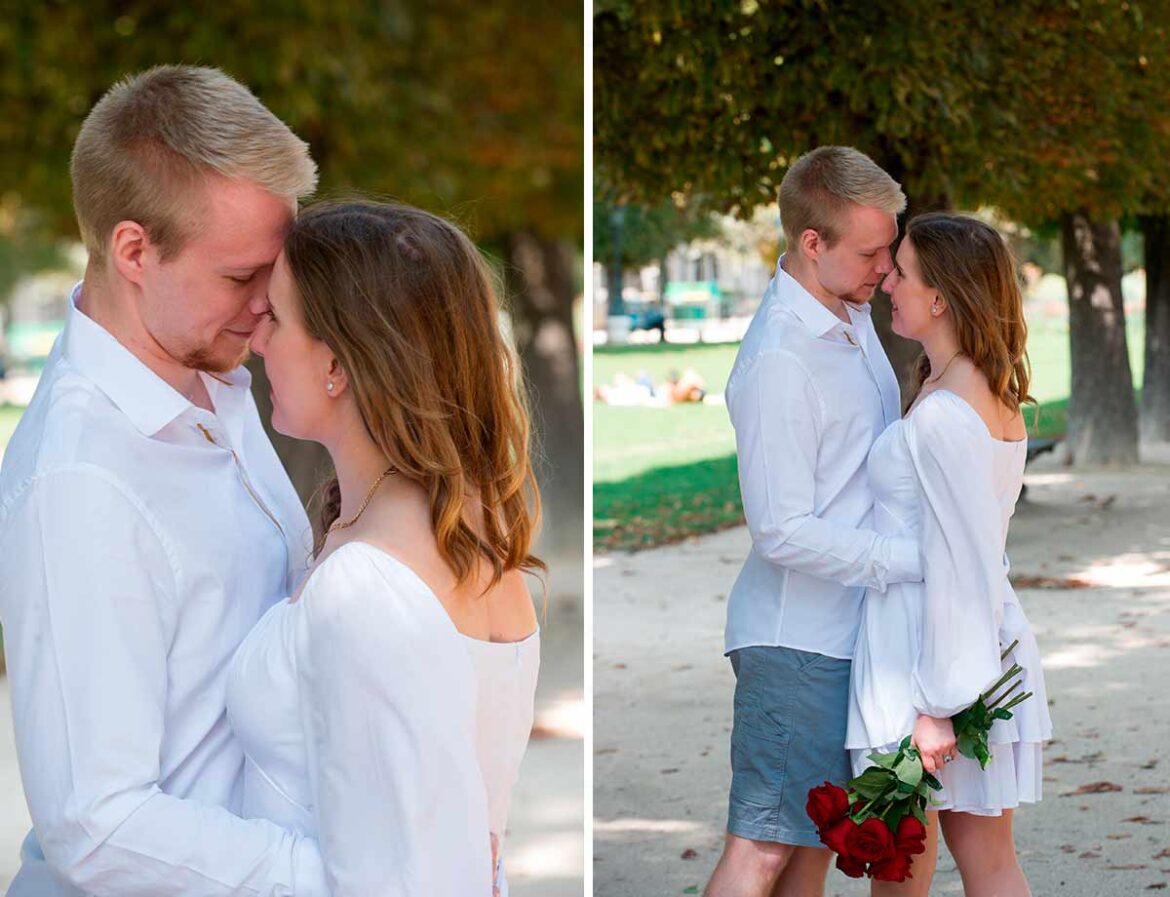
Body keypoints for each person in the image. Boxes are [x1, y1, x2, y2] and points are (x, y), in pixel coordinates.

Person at [0, 65, 331, 895]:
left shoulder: (213, 371)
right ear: (134, 250)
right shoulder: (81, 482)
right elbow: (97, 823)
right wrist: (342, 874)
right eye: (239, 275)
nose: (267, 303)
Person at [230, 199, 544, 895]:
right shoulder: (469, 526)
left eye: (276, 317)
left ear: (338, 362)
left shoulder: (369, 586)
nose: (257, 339)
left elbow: (394, 878)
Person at [704, 146, 924, 897]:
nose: (885, 268)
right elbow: (782, 529)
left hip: (849, 632)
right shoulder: (780, 360)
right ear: (812, 243)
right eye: (869, 252)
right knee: (763, 849)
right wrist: (909, 558)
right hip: (794, 640)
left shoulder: (852, 315)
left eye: (889, 249)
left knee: (811, 851)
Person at [846, 213, 1051, 897]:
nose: (887, 283)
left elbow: (960, 562)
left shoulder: (944, 413)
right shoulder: (981, 390)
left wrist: (936, 703)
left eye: (901, 271)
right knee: (987, 859)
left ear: (940, 297)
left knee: (902, 865)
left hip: (933, 658)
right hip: (972, 644)